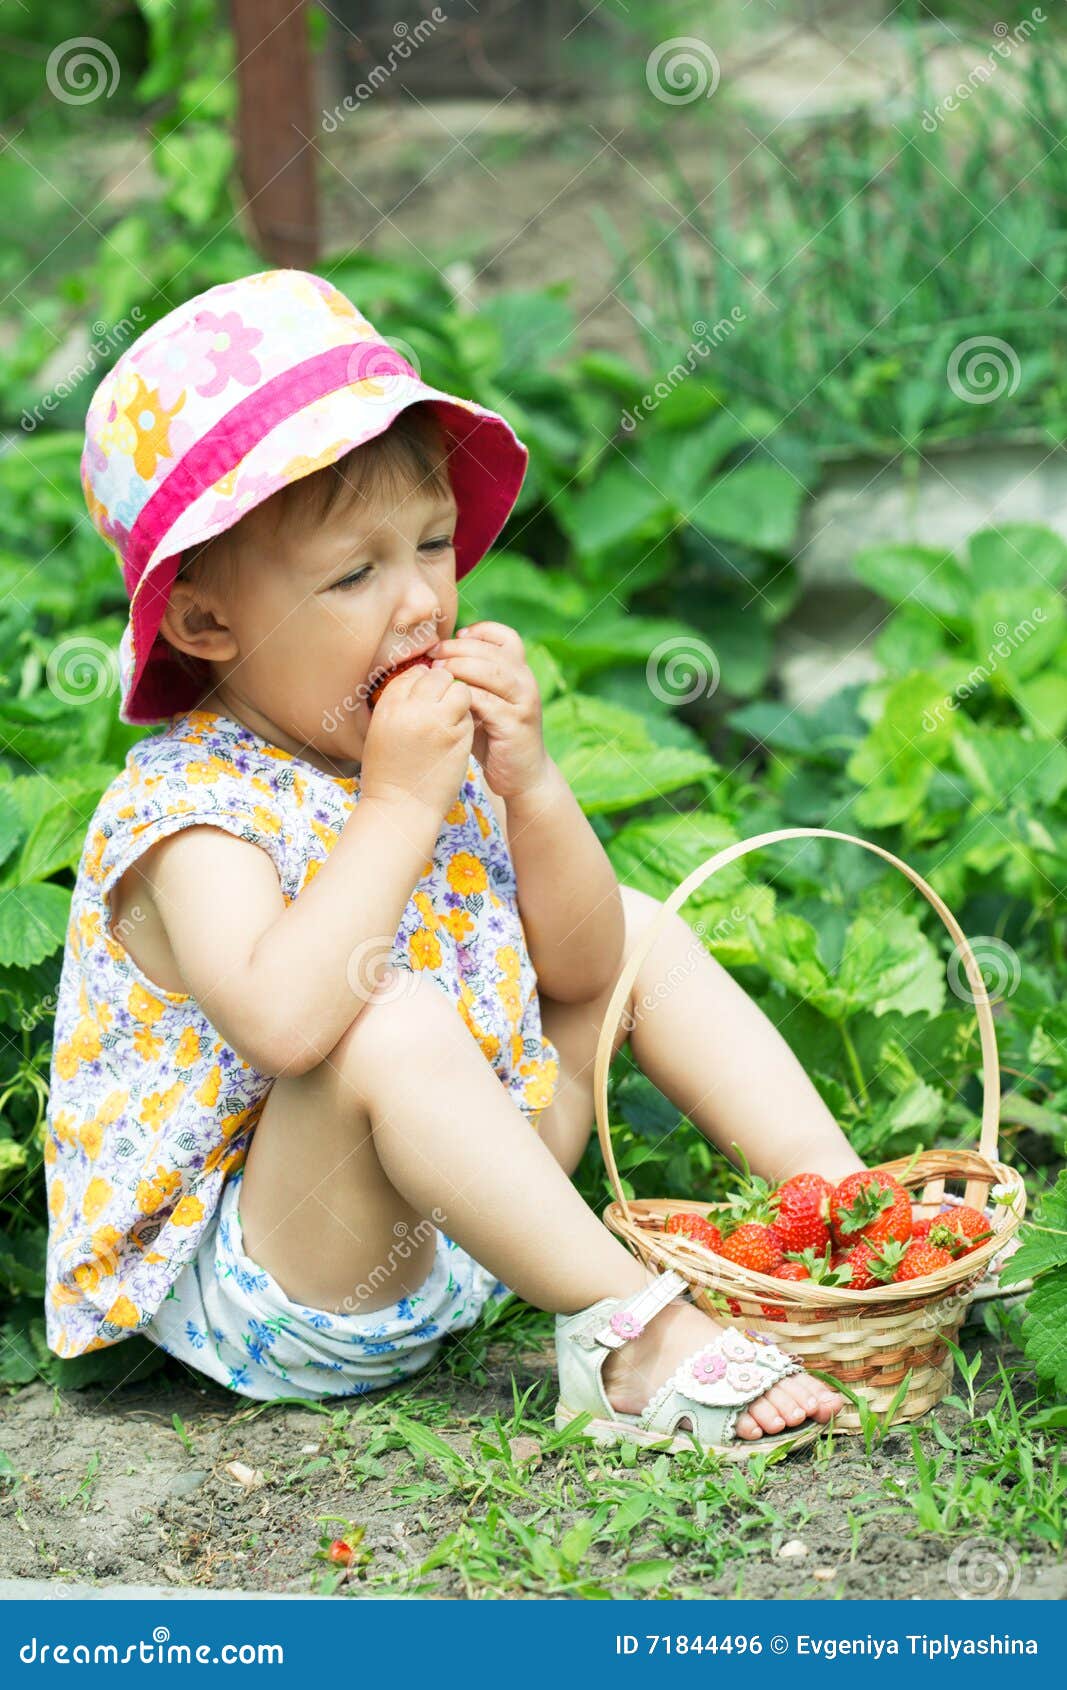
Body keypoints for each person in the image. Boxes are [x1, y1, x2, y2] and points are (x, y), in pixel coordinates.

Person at [46, 269, 864, 1457]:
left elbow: (581, 967)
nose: (424, 600)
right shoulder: (191, 812)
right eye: (354, 573)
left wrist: (526, 784)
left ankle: (845, 1210)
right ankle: (630, 1337)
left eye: (432, 543)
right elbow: (281, 1022)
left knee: (632, 924)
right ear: (207, 625)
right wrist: (395, 806)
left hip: (473, 1227)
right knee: (383, 1021)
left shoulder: (419, 744)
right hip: (297, 1280)